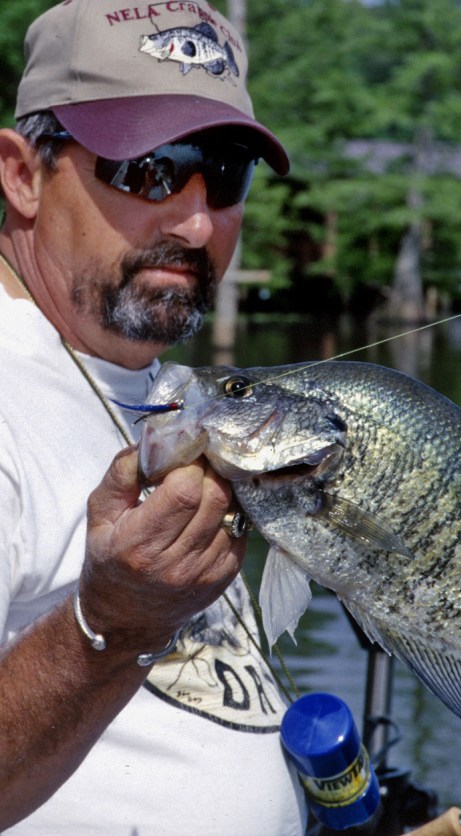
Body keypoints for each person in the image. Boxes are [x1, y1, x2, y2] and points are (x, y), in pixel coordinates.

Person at [0, 1, 307, 833]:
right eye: (151, 166)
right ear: (23, 173)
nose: (198, 222)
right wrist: (111, 625)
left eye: (227, 172)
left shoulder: (178, 396)